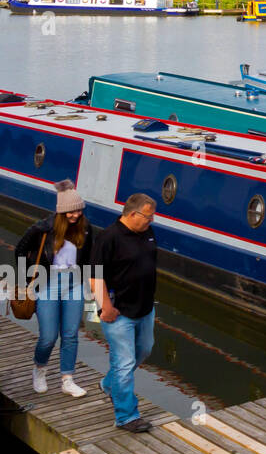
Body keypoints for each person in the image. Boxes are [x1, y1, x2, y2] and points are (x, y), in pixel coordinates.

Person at [87, 194, 159, 433]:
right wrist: (105, 307)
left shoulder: (147, 232)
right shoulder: (108, 238)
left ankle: (109, 384)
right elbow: (95, 276)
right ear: (132, 214)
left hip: (145, 309)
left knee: (144, 351)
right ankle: (127, 416)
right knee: (124, 363)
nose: (151, 220)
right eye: (148, 216)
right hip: (119, 313)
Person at [16, 180, 92, 397]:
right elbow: (20, 250)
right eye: (71, 211)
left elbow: (89, 260)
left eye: (78, 210)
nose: (75, 214)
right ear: (61, 212)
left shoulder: (86, 230)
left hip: (74, 285)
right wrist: (27, 280)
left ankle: (67, 379)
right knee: (48, 336)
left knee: (70, 335)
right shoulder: (42, 228)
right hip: (47, 284)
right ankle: (39, 369)